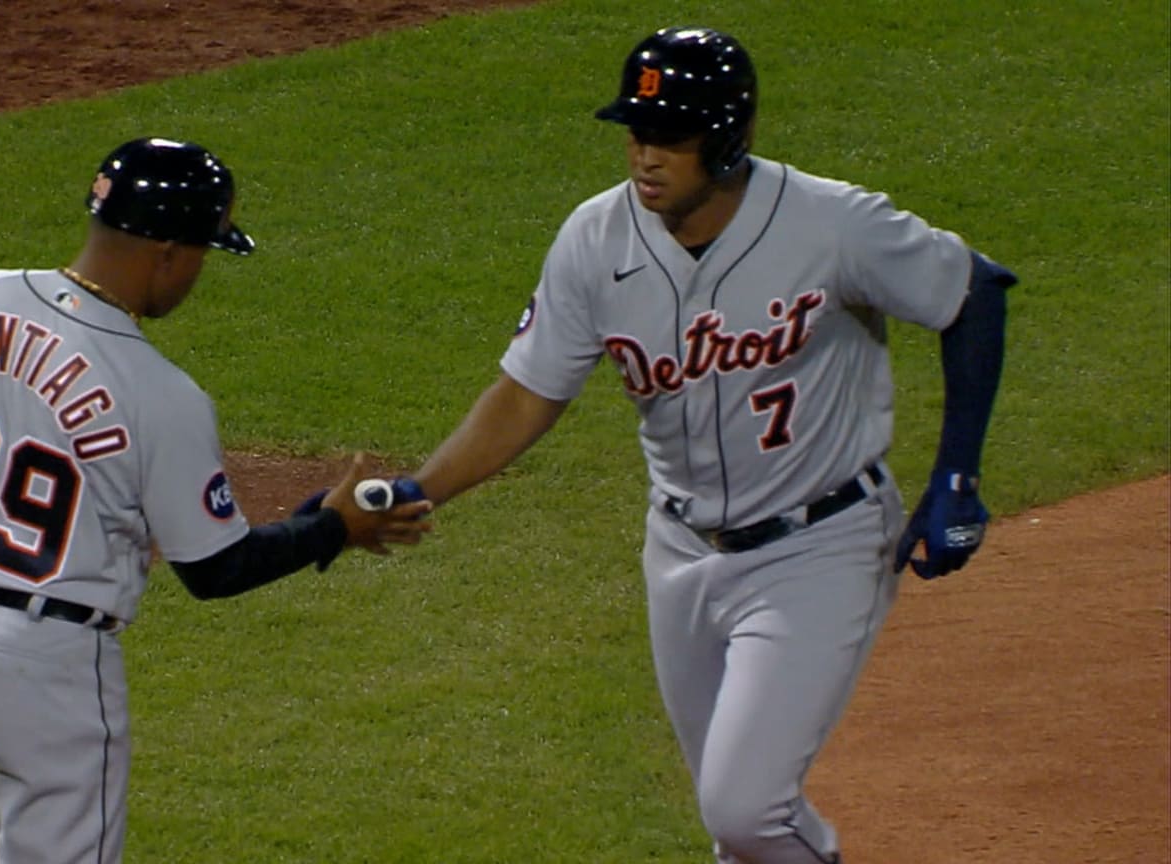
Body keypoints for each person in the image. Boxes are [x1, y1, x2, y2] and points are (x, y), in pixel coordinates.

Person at [396, 26, 1015, 864]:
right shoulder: (595, 238)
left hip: (820, 545)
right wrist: (421, 487)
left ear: (728, 137)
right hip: (680, 553)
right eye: (637, 133)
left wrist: (958, 475)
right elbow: (527, 392)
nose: (645, 157)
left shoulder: (832, 224)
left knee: (746, 810)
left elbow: (972, 289)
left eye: (671, 139)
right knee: (736, 830)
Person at [0, 136, 433, 864]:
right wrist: (331, 529)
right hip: (43, 665)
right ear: (167, 252)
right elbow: (215, 568)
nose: (197, 273)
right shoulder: (158, 391)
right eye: (201, 253)